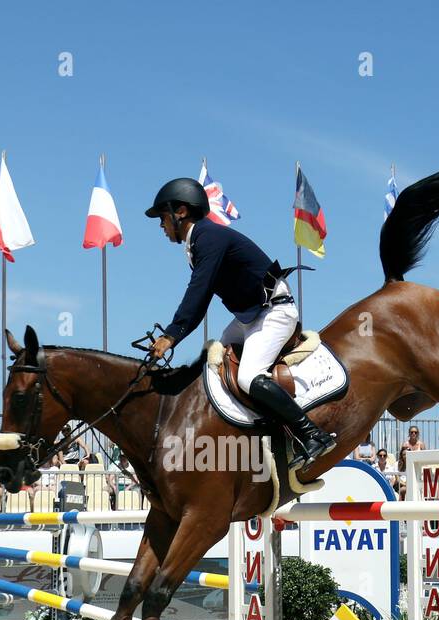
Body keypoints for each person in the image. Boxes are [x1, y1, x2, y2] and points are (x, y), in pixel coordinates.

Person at [143, 177, 334, 470]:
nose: (161, 225)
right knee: (214, 362)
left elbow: (199, 291)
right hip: (250, 317)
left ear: (180, 211)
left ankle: (311, 434)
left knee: (248, 376)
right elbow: (202, 295)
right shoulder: (198, 241)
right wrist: (175, 332)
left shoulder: (208, 236)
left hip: (274, 312)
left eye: (163, 217)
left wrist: (172, 334)